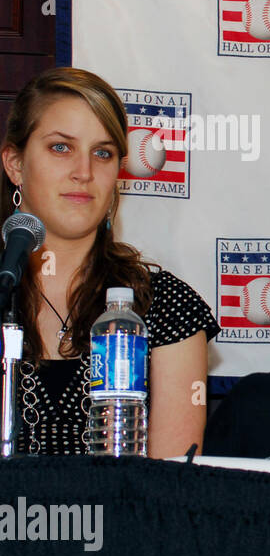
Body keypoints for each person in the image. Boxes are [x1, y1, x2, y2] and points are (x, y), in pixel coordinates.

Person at [1, 68, 218, 456]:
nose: (83, 173)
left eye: (102, 153)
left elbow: (172, 487)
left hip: (120, 517)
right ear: (15, 164)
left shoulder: (165, 305)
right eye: (61, 147)